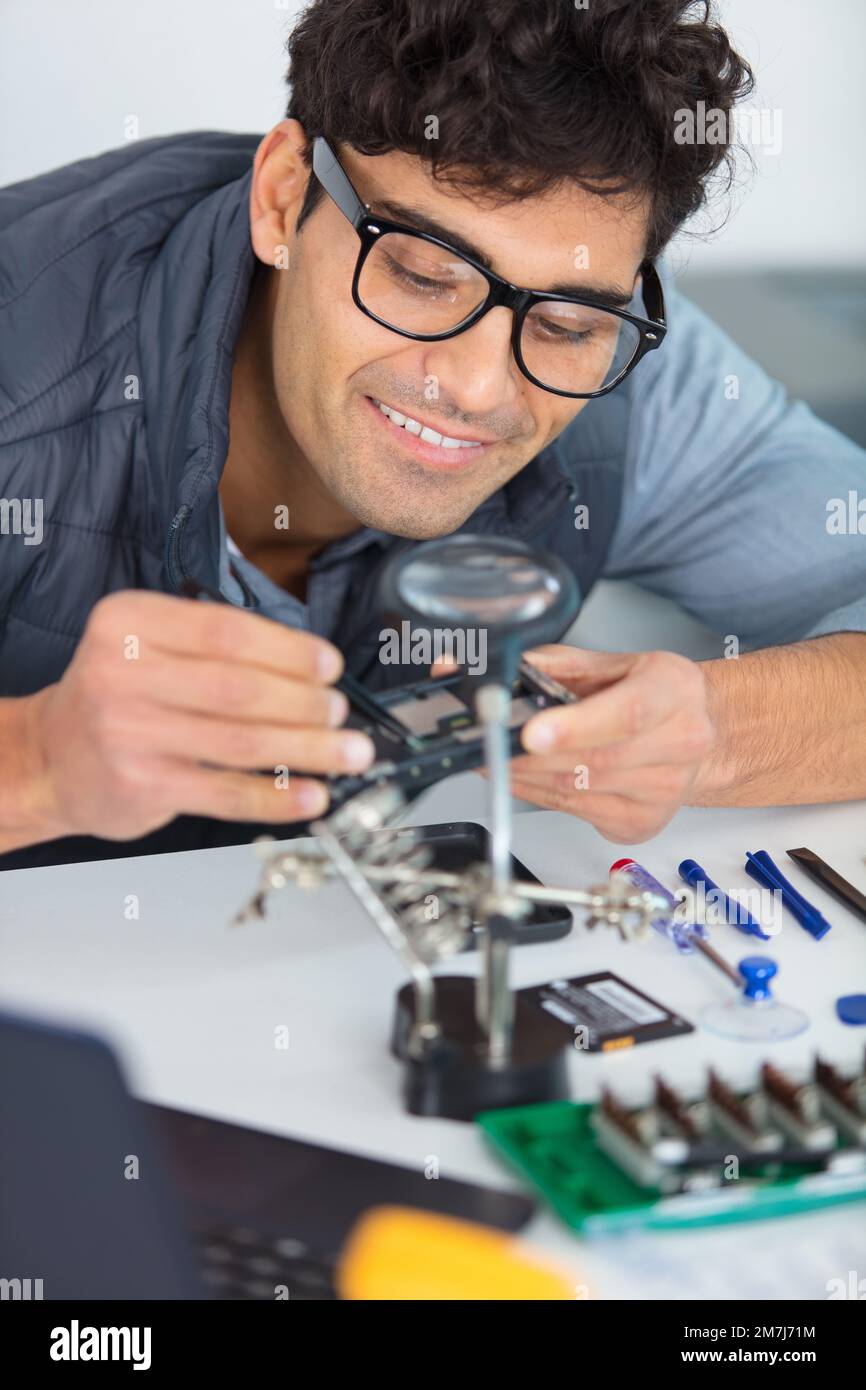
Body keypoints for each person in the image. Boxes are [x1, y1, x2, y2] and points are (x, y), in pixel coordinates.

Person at [1, 0, 864, 867]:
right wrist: (35, 764)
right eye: (422, 276)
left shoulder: (628, 368)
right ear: (282, 197)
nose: (480, 389)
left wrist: (715, 730)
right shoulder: (21, 372)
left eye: (565, 325)